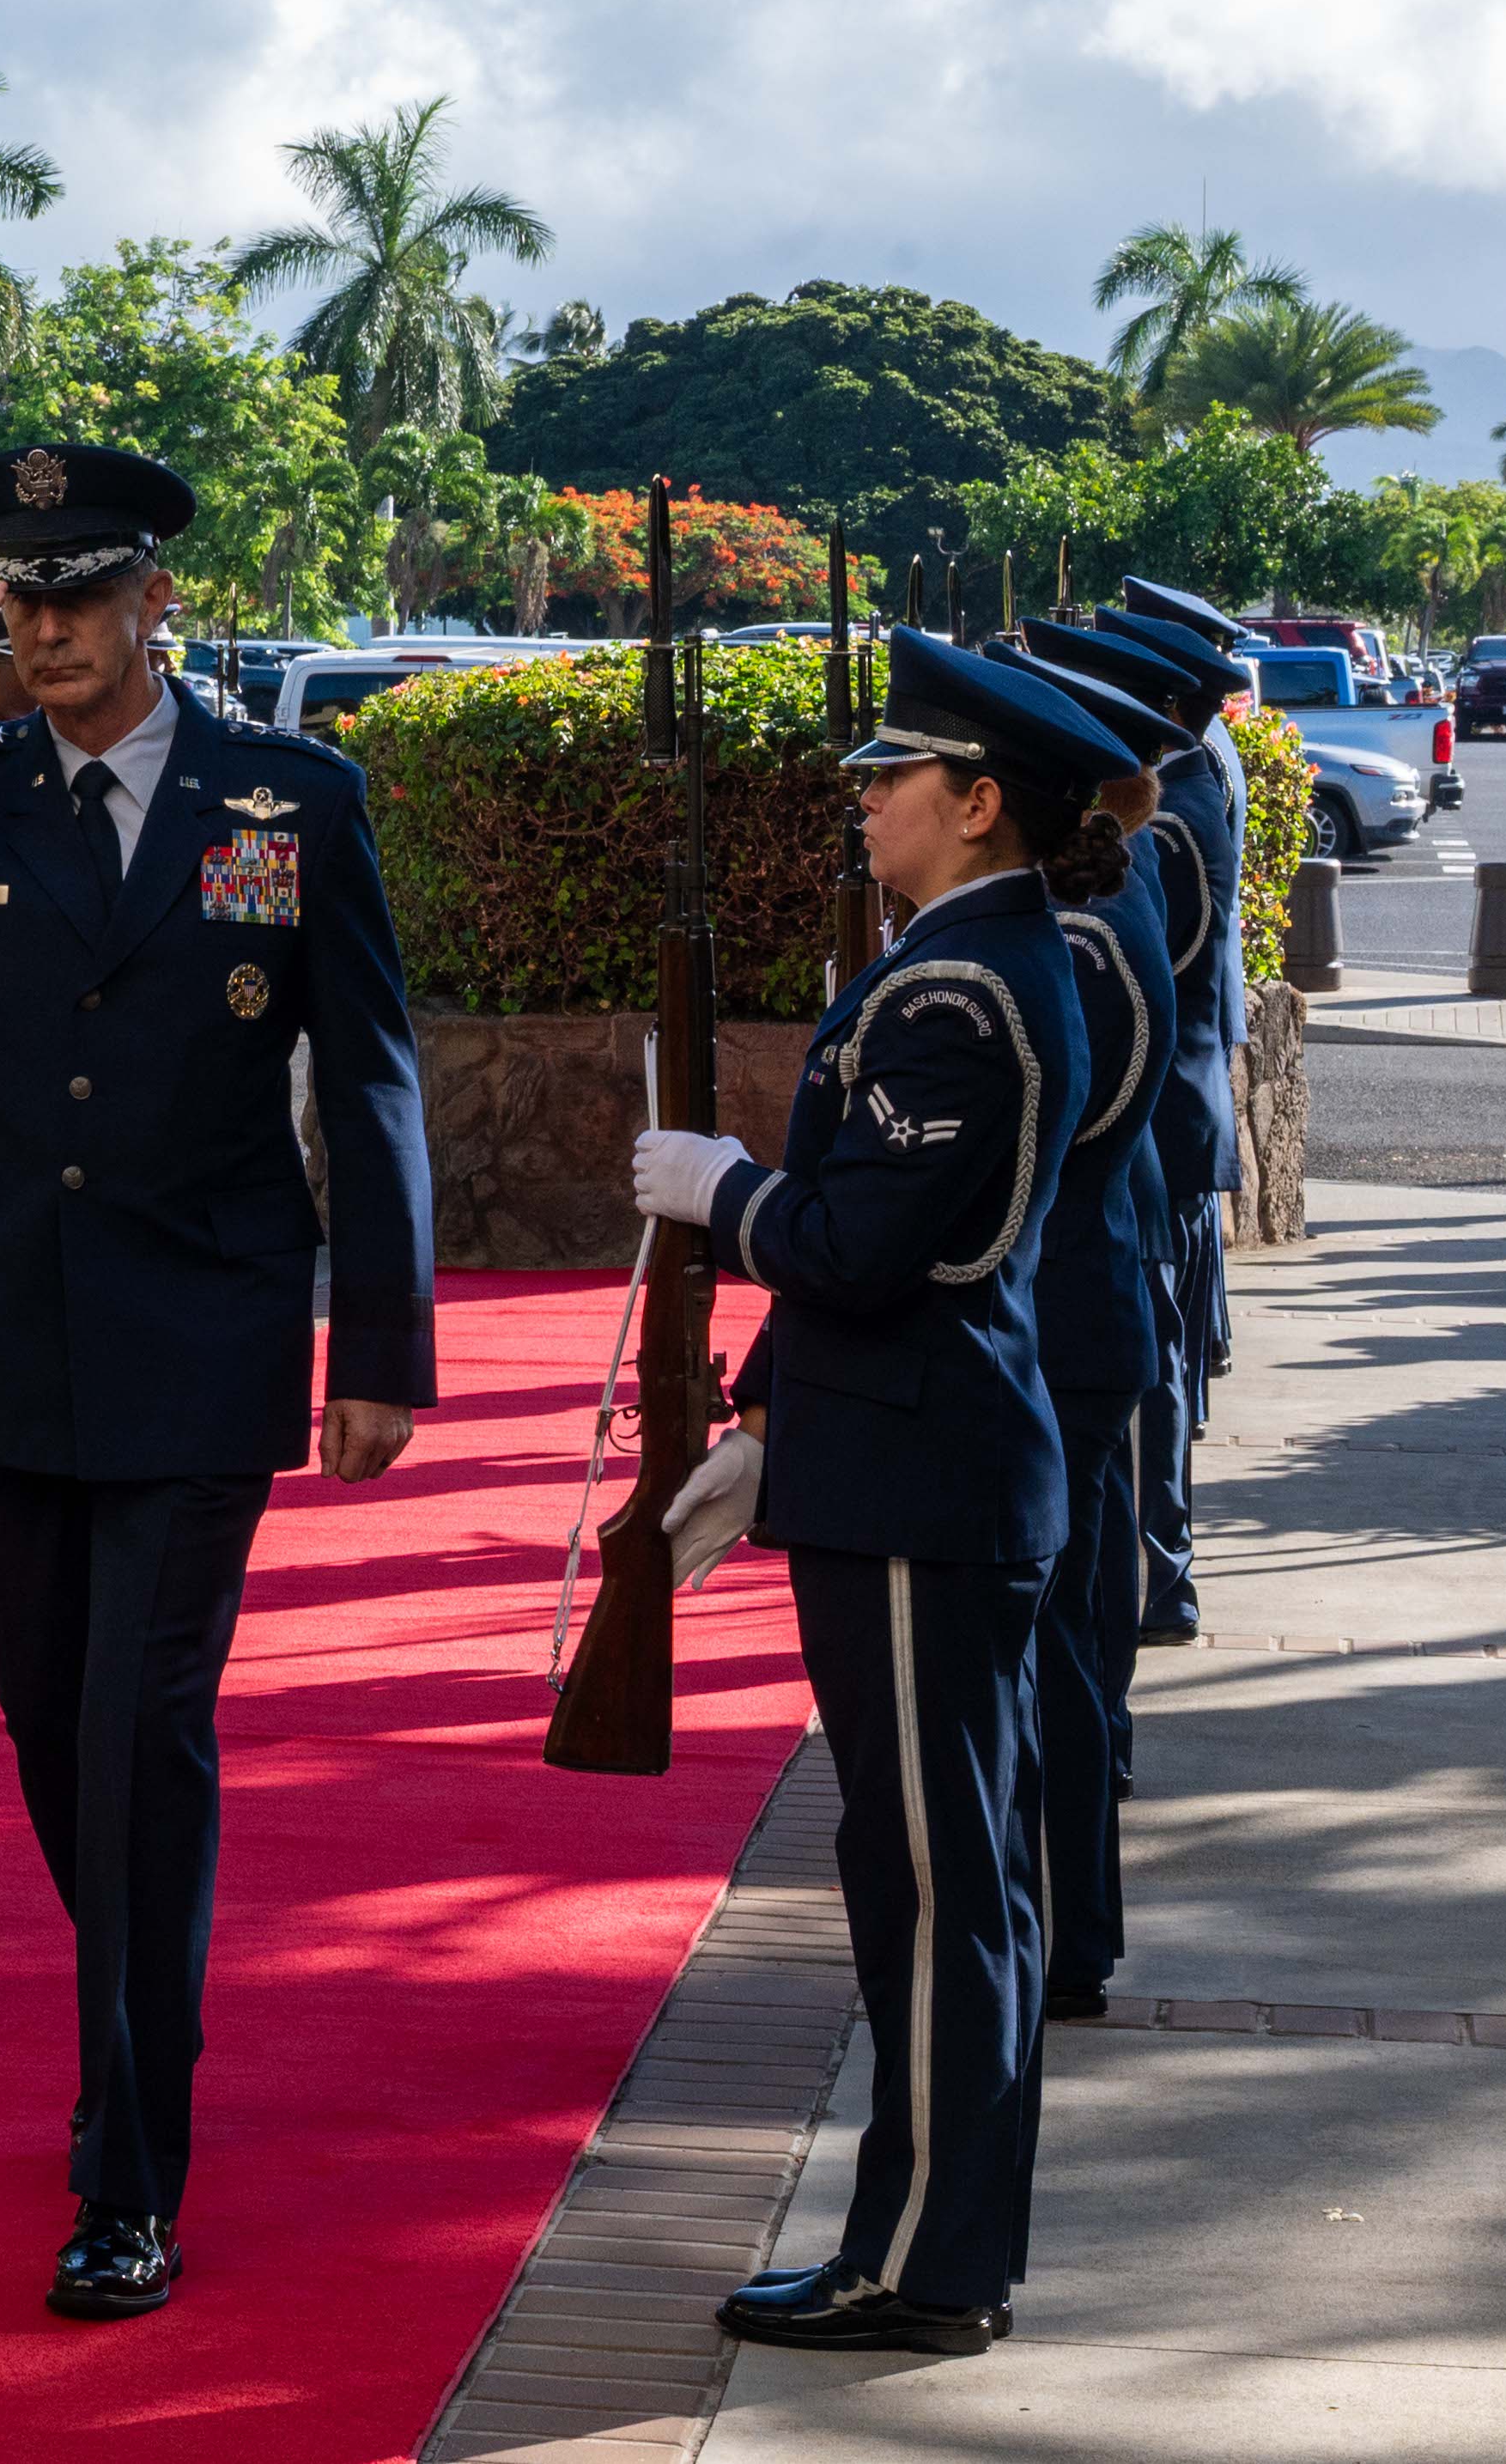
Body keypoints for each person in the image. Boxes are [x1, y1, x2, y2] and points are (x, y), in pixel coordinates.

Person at [0, 442, 435, 2322]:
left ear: (153, 603)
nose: (39, 632)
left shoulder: (290, 792)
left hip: (200, 1323)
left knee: (139, 1730)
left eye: (71, 599)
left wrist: (380, 1339)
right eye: (12, 602)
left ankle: (133, 2154)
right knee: (49, 1724)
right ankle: (130, 2021)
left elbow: (365, 1074)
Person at [630, 629, 1121, 2357]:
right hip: (898, 1453)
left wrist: (721, 1190)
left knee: (933, 1884)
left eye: (887, 776)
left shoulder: (959, 990)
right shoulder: (965, 961)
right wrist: (769, 1411)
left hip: (922, 1482)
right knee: (930, 1874)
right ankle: (915, 2239)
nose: (859, 803)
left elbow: (863, 1245)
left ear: (977, 805)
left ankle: (923, 2261)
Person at [1001, 636, 1187, 2016]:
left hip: (1057, 1311)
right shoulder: (1103, 907)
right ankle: (1068, 1921)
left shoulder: (1069, 934)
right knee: (1071, 1635)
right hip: (1086, 1297)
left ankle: (1066, 1927)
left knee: (1057, 1649)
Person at [1086, 602, 1248, 1652]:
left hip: (1161, 1128)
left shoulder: (1165, 824)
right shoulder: (1178, 796)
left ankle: (1157, 1578)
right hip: (1170, 1120)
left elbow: (1143, 994)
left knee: (1155, 1384)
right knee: (1164, 1369)